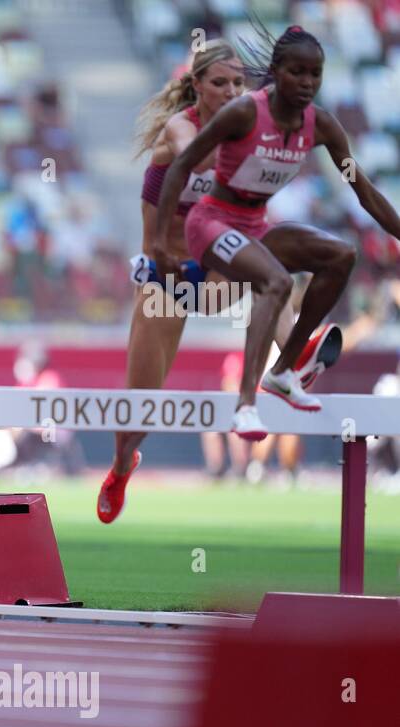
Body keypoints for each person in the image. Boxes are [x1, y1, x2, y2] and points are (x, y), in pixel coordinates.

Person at [98, 40, 341, 522]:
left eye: (238, 83)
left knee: (271, 267)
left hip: (218, 269)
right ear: (197, 86)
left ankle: (294, 353)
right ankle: (123, 465)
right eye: (220, 83)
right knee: (138, 411)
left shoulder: (251, 125)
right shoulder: (180, 127)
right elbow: (201, 158)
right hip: (166, 279)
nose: (232, 91)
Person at [154, 24, 400, 444]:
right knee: (277, 283)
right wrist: (159, 242)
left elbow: (363, 191)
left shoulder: (322, 126)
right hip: (211, 222)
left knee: (341, 256)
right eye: (296, 72)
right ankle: (246, 406)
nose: (307, 83)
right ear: (276, 71)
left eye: (315, 74)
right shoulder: (245, 112)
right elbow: (181, 166)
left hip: (255, 227)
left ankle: (284, 371)